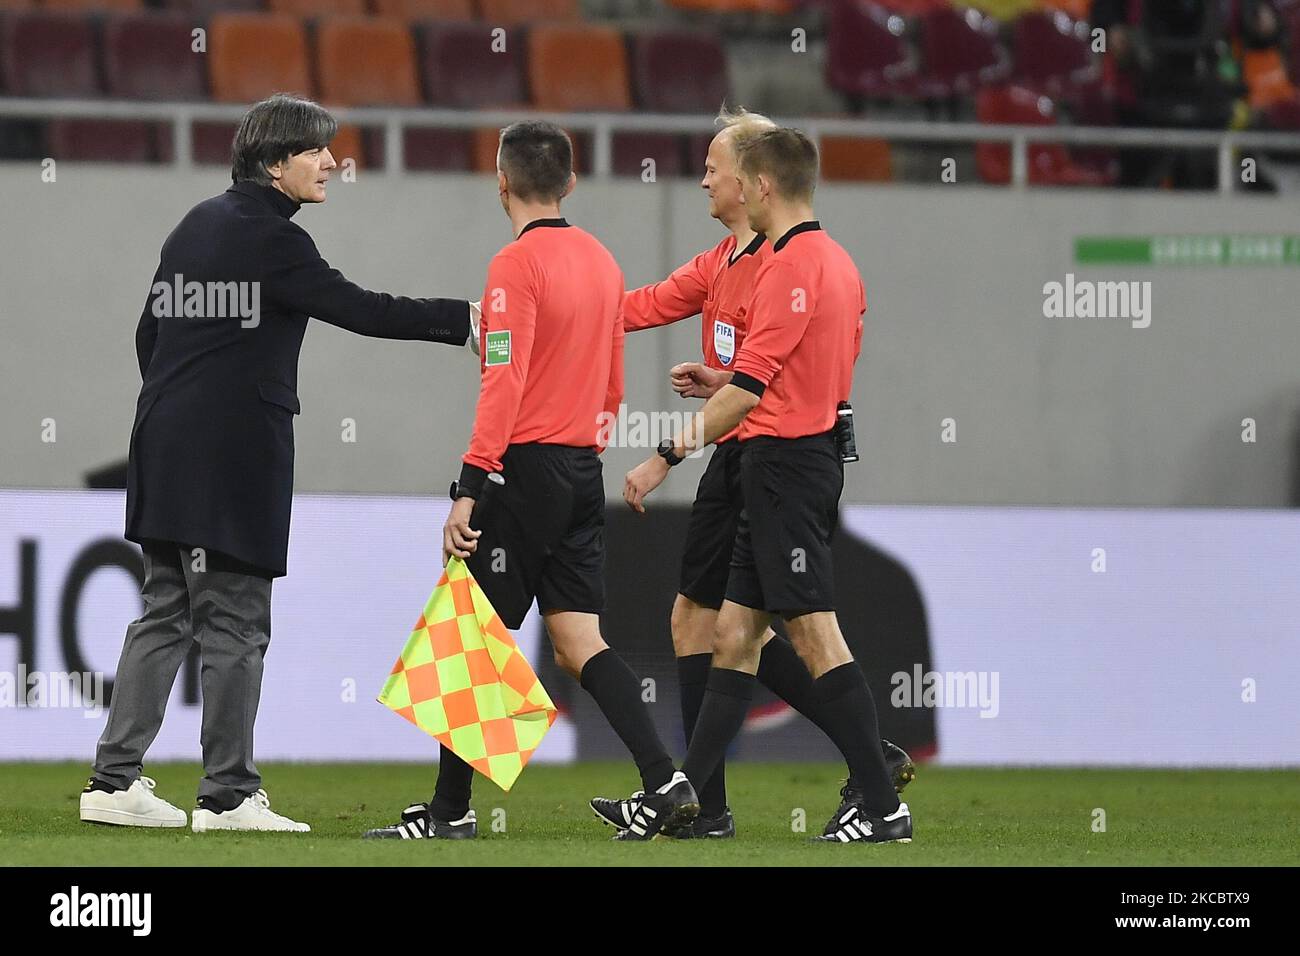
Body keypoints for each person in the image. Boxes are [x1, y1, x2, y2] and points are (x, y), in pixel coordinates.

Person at [80, 94, 475, 834]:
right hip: (229, 458)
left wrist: (183, 403)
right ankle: (228, 795)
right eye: (316, 151)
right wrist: (465, 321)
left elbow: (149, 334)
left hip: (162, 443)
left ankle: (113, 781)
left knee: (165, 609)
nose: (332, 162)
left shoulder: (194, 224)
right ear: (274, 163)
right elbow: (361, 308)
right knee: (234, 620)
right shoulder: (275, 241)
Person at [364, 121, 696, 841]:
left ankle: (449, 815)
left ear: (501, 180)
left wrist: (470, 483)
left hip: (525, 469)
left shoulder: (515, 266)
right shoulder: (604, 263)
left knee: (467, 637)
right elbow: (613, 387)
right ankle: (664, 779)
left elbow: (503, 380)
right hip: (580, 469)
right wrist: (585, 452)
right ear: (571, 183)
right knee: (579, 642)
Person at [589, 107, 913, 840]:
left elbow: (756, 387)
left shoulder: (793, 265)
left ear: (758, 182)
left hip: (780, 462)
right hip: (779, 456)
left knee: (810, 634)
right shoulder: (820, 262)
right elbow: (794, 371)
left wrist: (664, 453)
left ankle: (878, 794)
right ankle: (693, 802)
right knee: (732, 633)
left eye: (716, 165)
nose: (705, 177)